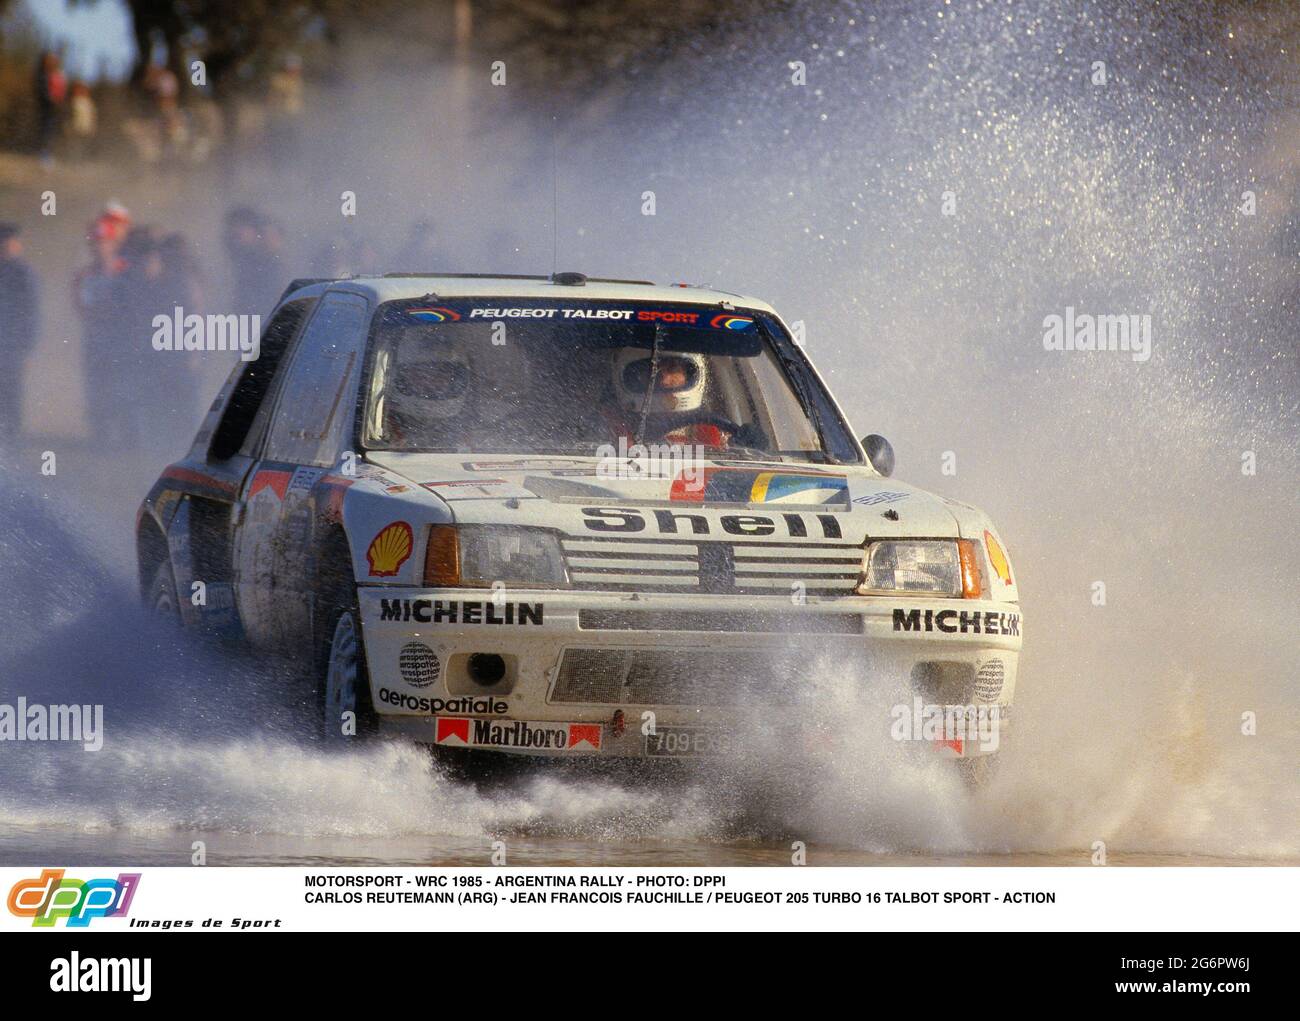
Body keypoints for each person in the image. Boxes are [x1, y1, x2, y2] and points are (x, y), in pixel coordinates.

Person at [73, 208, 131, 445]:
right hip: (96, 338)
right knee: (97, 385)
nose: (99, 247)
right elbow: (81, 305)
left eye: (104, 242)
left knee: (124, 385)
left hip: (122, 339)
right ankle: (101, 435)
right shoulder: (85, 274)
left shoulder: (126, 270)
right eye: (95, 243)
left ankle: (127, 436)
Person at [0, 224, 39, 437]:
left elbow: (31, 312)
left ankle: (11, 436)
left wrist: (27, 346)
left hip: (13, 344)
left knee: (11, 393)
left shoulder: (23, 272)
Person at [33, 52, 67, 164]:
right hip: (46, 106)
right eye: (49, 60)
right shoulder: (42, 75)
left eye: (53, 60)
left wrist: (59, 101)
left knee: (52, 131)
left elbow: (61, 89)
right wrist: (50, 99)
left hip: (56, 107)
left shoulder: (57, 74)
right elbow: (41, 91)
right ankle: (43, 154)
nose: (51, 62)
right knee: (46, 130)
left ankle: (51, 153)